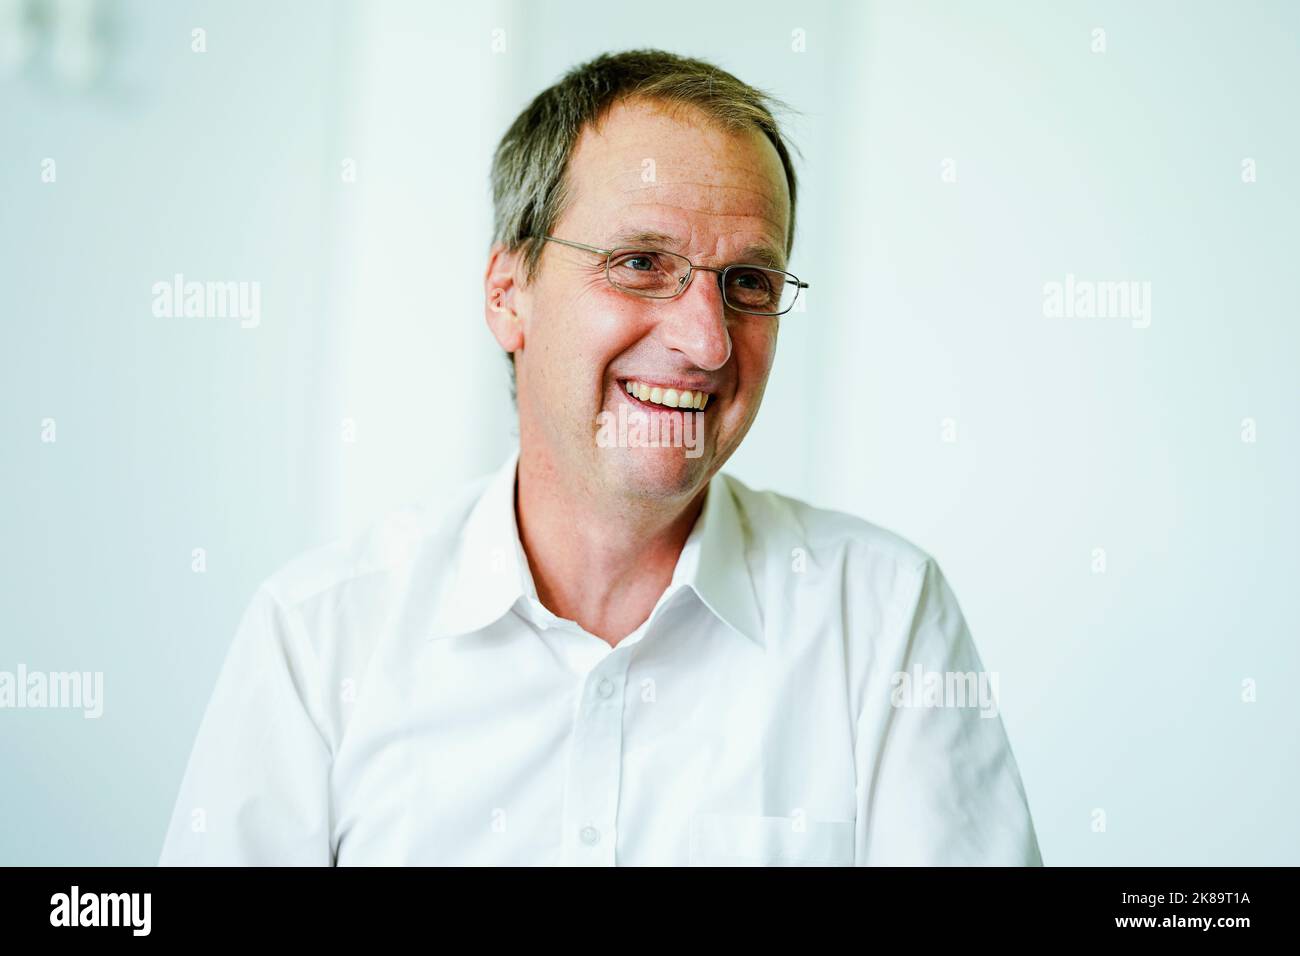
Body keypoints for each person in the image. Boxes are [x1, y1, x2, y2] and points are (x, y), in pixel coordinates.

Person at [159, 49, 1041, 866]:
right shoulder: (318, 638)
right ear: (510, 295)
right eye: (640, 263)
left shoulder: (882, 618)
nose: (706, 342)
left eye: (749, 285)